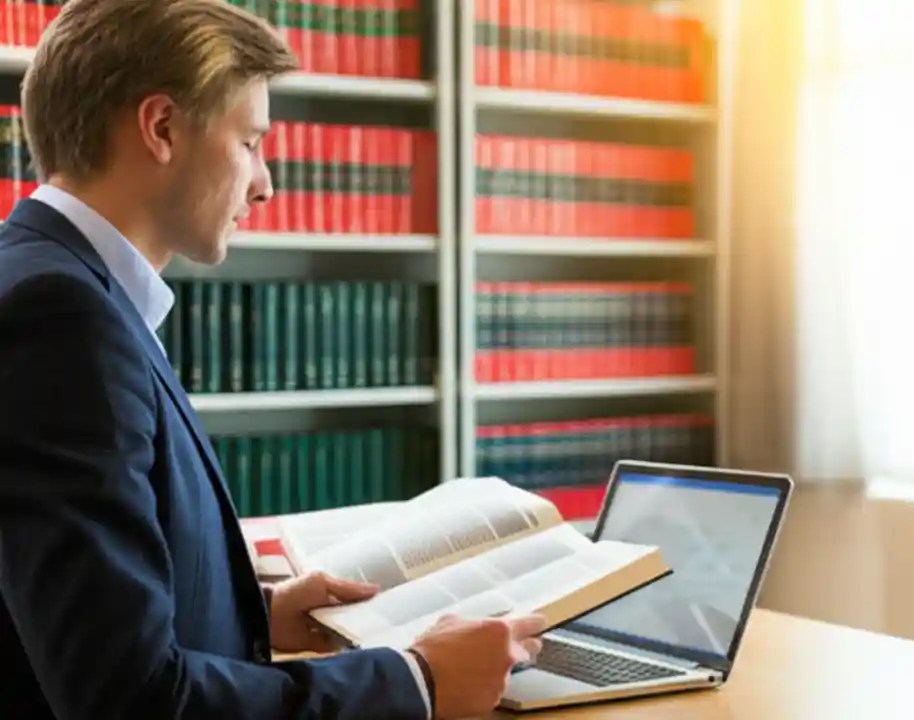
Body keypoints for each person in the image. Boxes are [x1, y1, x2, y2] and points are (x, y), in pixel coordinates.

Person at [0, 1, 545, 718]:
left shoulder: (48, 280)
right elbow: (127, 699)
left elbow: (61, 605)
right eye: (251, 142)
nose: (266, 183)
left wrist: (257, 614)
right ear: (161, 128)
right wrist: (417, 682)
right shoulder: (61, 315)